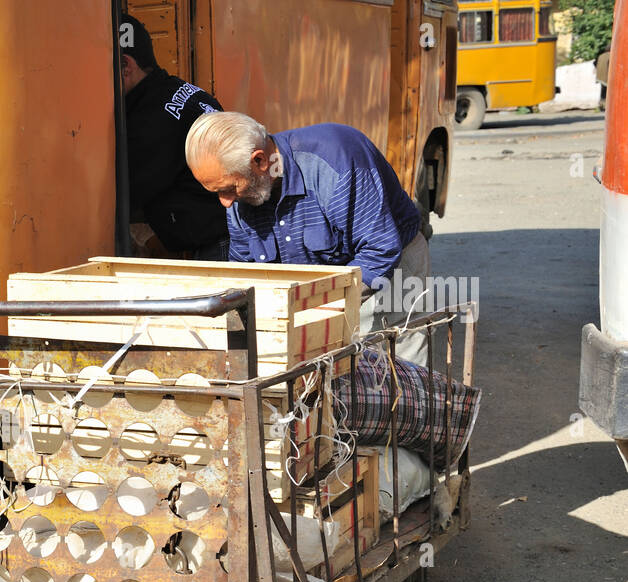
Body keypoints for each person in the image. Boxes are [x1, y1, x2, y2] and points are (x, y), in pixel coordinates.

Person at [185, 111, 431, 362]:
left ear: (259, 161)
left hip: (384, 268)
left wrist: (320, 309)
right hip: (316, 292)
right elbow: (244, 268)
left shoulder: (335, 163)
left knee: (392, 367)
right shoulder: (240, 194)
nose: (225, 203)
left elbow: (380, 248)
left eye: (228, 189)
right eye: (216, 192)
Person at [118, 14, 228, 259]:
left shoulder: (150, 121)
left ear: (126, 67)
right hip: (224, 232)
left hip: (214, 245)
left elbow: (123, 197)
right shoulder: (177, 90)